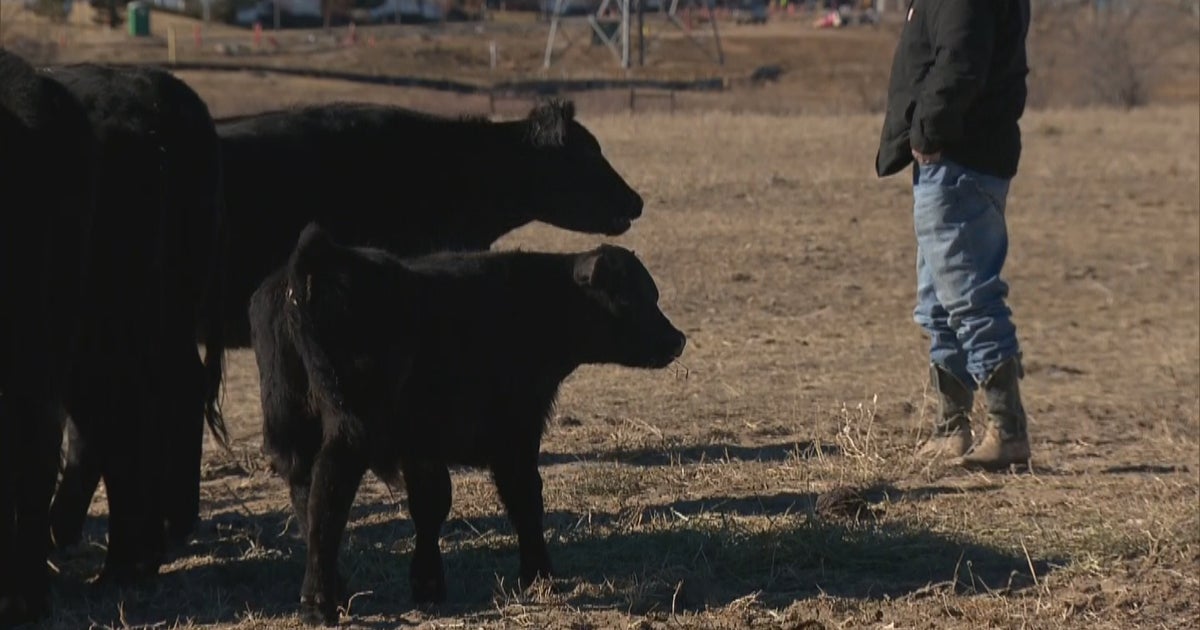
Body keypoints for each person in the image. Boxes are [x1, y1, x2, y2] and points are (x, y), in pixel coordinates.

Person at [875, 0, 1032, 470]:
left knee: (967, 297)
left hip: (957, 160)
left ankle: (1008, 429)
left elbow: (961, 59)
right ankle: (951, 429)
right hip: (954, 160)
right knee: (939, 302)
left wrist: (927, 133)